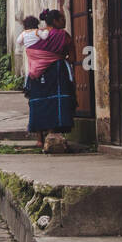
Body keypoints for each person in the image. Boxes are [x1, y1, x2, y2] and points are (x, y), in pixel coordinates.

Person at [26, 8, 77, 150]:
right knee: (55, 101)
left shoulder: (34, 35)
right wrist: (59, 57)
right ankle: (52, 134)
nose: (65, 21)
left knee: (37, 102)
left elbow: (29, 50)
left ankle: (39, 140)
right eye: (62, 19)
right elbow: (72, 58)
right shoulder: (63, 36)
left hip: (35, 73)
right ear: (55, 21)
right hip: (56, 72)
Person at [15, 15, 42, 92]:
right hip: (41, 53)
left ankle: (28, 86)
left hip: (31, 54)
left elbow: (19, 41)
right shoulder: (38, 32)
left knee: (32, 68)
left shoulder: (24, 33)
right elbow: (45, 37)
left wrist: (25, 43)